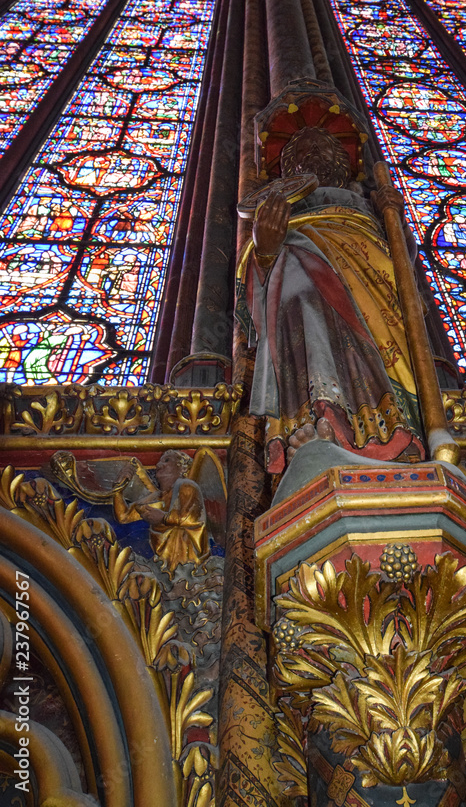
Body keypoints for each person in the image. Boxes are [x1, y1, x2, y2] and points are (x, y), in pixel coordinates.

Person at [239, 126, 425, 476]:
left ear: (343, 162)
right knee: (307, 318)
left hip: (370, 288)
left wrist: (394, 217)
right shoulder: (286, 208)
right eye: (301, 152)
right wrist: (265, 252)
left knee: (372, 348)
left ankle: (387, 431)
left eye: (323, 147)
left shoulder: (369, 206)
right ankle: (319, 422)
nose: (312, 154)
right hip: (300, 284)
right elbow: (256, 293)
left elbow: (403, 265)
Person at [113, 450, 208, 574]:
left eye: (166, 460)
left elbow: (191, 518)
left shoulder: (186, 486)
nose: (158, 465)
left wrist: (163, 518)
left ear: (183, 468)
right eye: (159, 462)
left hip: (187, 562)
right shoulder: (156, 497)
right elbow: (124, 516)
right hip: (163, 563)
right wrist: (118, 489)